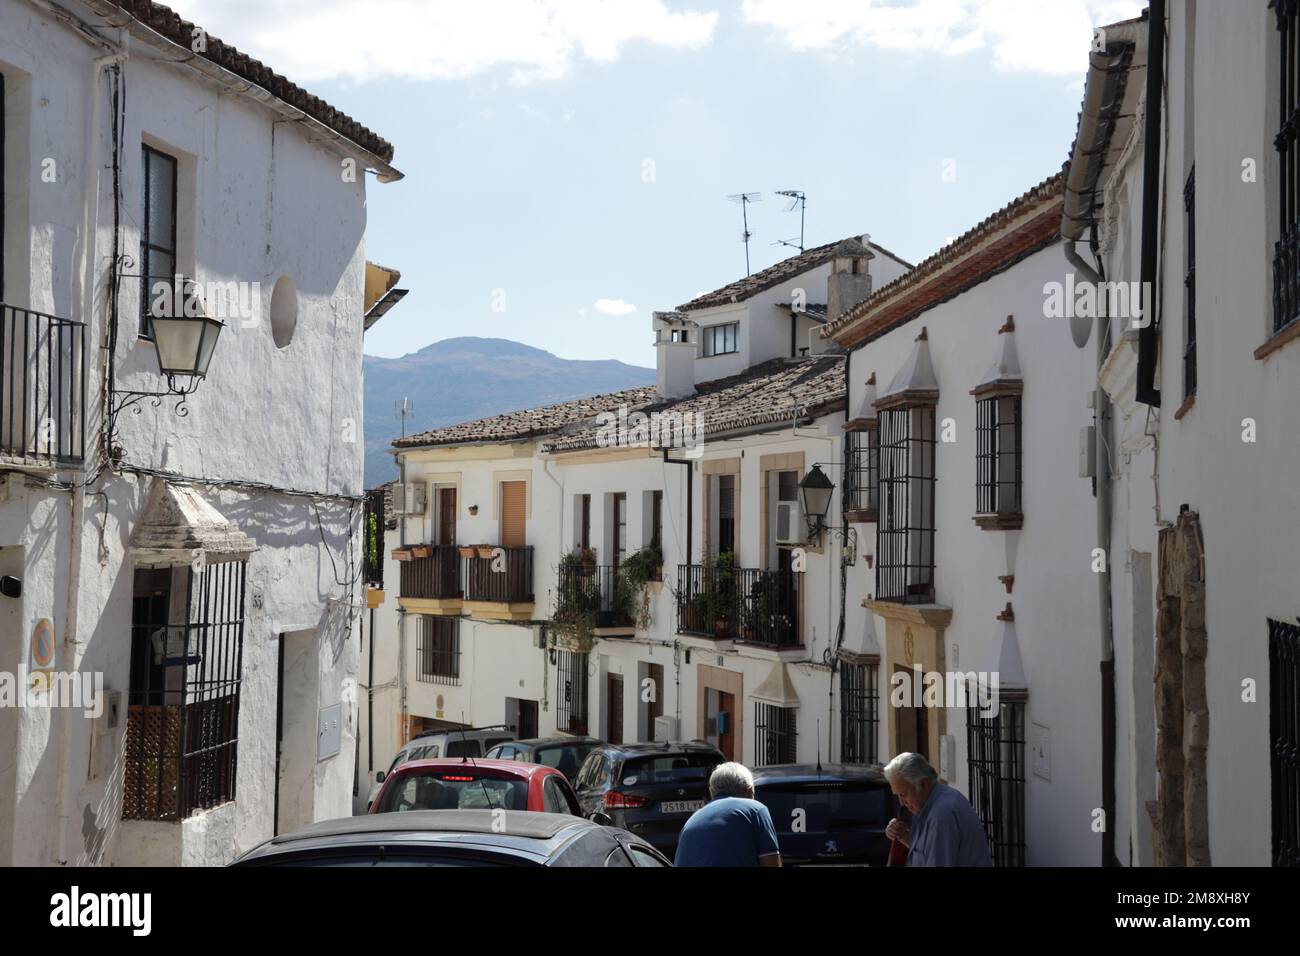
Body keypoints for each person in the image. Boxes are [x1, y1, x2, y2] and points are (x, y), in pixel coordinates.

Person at [883, 752, 992, 867]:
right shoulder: (930, 805)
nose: (902, 802)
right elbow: (926, 853)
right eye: (898, 795)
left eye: (904, 794)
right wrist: (903, 835)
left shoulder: (941, 816)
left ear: (923, 784)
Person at [673, 762, 782, 867]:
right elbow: (771, 863)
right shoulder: (756, 809)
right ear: (748, 791)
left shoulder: (691, 821)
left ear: (711, 791)